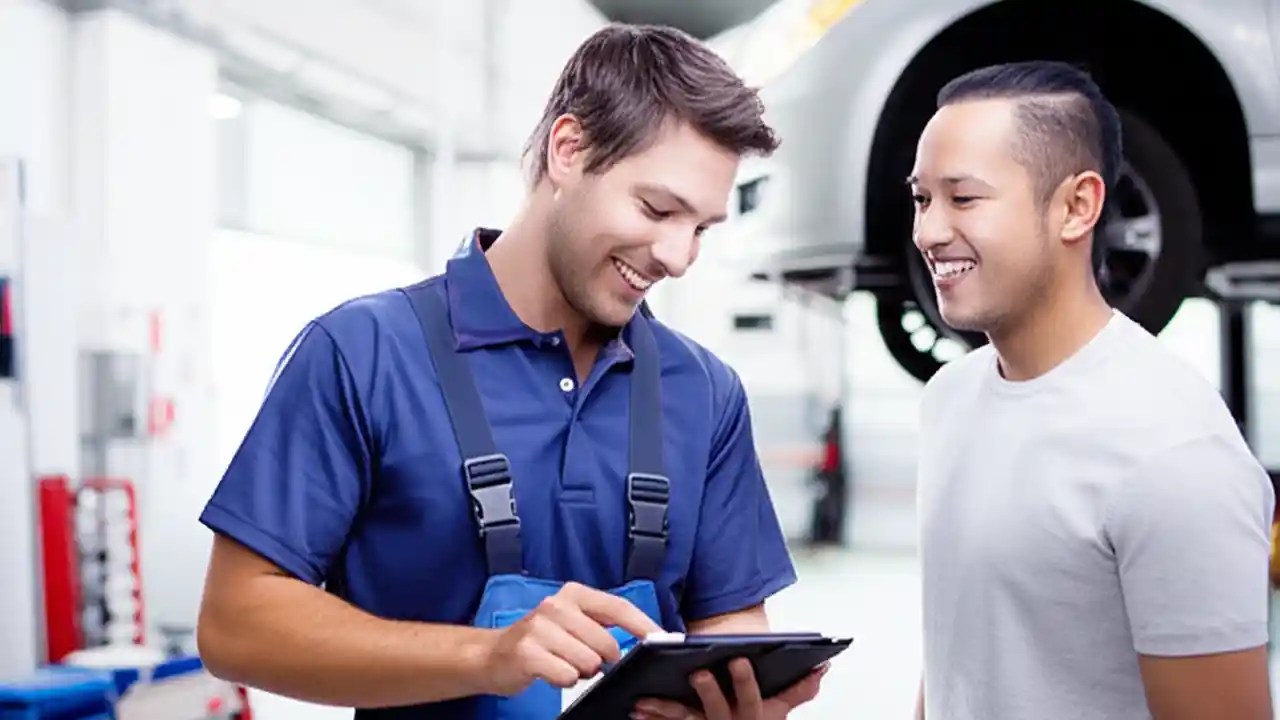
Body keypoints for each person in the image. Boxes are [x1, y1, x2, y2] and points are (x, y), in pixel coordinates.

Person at [195, 23, 825, 720]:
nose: (678, 257)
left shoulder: (705, 391)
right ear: (568, 149)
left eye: (701, 228)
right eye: (657, 209)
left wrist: (734, 702)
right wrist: (489, 658)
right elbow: (235, 624)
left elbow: (732, 624)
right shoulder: (362, 354)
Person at [909, 61, 1275, 719]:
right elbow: (959, 666)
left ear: (1078, 206)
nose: (929, 232)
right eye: (921, 199)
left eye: (963, 199)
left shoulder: (1171, 451)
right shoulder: (949, 398)